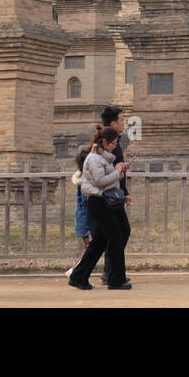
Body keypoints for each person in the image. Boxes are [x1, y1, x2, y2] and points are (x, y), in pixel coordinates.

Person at [68, 127, 131, 290]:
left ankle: (78, 276)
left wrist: (120, 171)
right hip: (99, 203)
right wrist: (117, 172)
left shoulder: (103, 158)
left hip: (105, 202)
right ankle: (116, 280)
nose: (115, 146)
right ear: (105, 142)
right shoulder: (94, 159)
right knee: (115, 239)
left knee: (100, 242)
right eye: (113, 143)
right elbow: (100, 181)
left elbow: (109, 179)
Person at [96, 106, 132, 285]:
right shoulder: (108, 146)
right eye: (122, 120)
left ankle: (109, 271)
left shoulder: (112, 144)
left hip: (113, 195)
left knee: (113, 235)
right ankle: (111, 273)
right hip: (109, 197)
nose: (124, 123)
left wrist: (124, 192)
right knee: (120, 233)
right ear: (113, 123)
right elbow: (111, 174)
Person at [65, 144, 92, 278]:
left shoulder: (83, 179)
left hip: (84, 216)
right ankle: (76, 271)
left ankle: (77, 270)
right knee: (89, 247)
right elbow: (86, 203)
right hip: (85, 217)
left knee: (89, 247)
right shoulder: (85, 182)